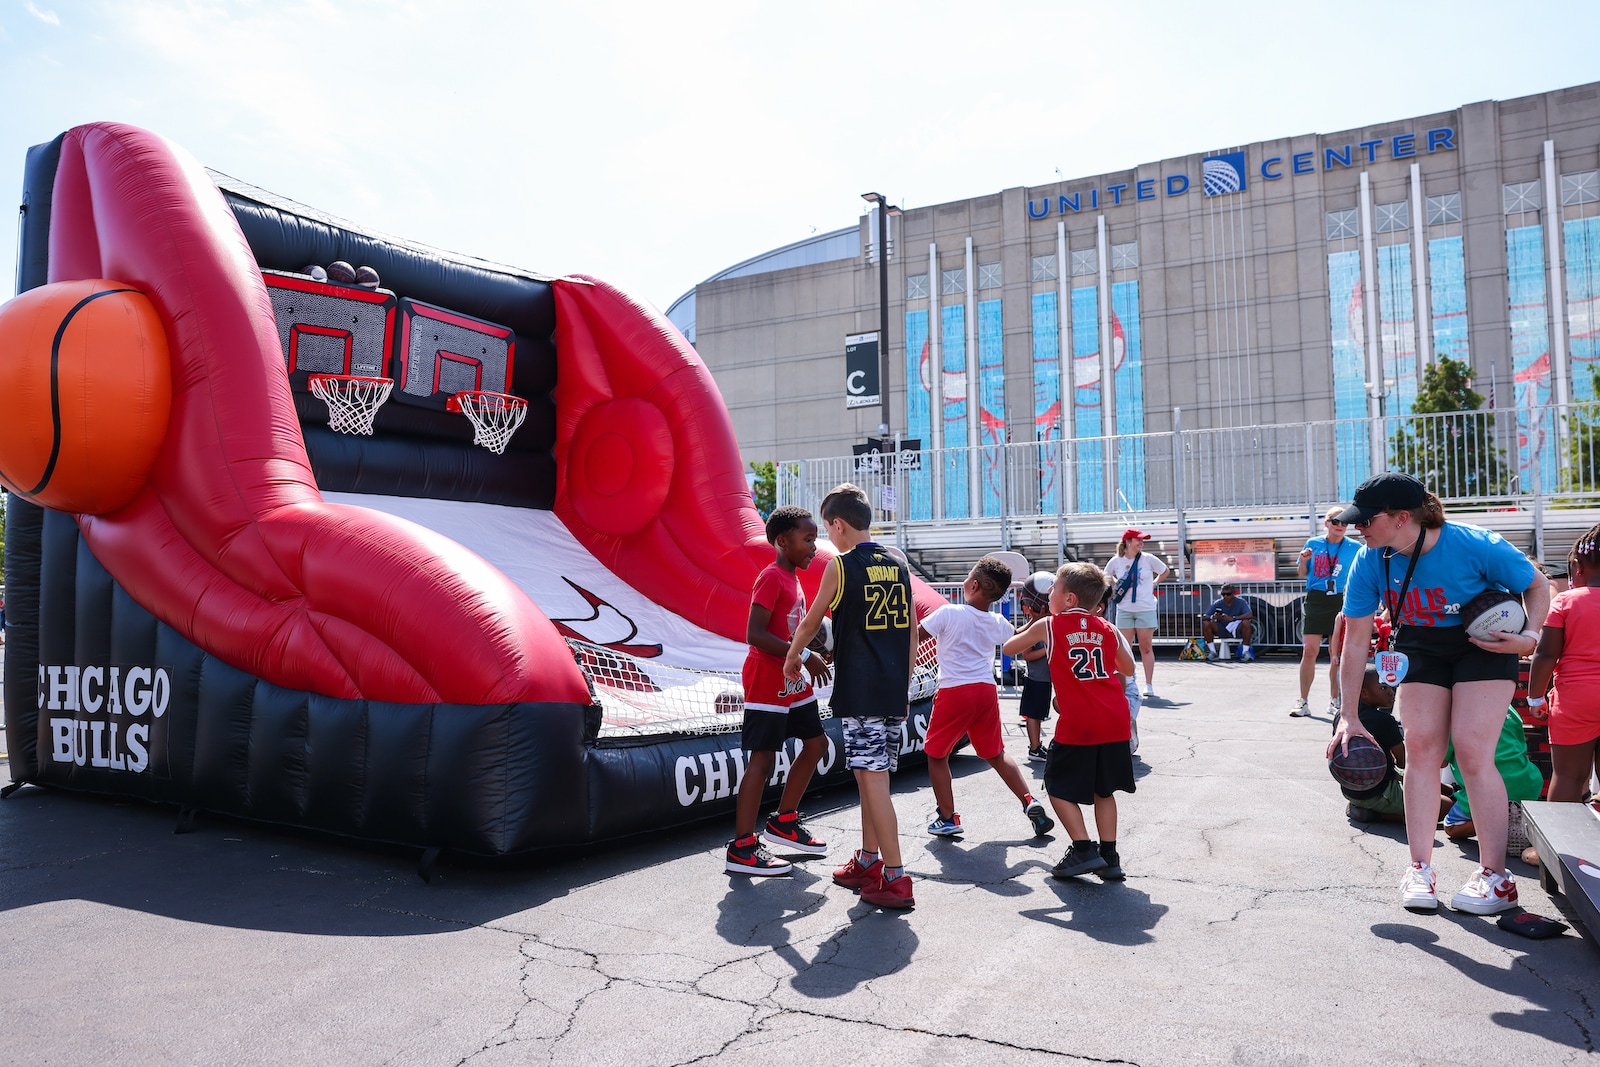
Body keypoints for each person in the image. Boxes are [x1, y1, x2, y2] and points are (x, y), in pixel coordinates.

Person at [1329, 473, 1550, 915]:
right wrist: (1348, 715)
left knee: (1471, 751)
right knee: (1422, 748)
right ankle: (1419, 868)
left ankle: (1496, 878)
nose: (1358, 529)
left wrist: (1530, 636)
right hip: (1420, 645)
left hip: (1482, 645)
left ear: (1401, 518)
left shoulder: (1475, 544)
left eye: (1366, 521)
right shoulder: (1371, 559)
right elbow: (1355, 642)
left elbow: (1537, 585)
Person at [785, 483, 916, 910]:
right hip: (893, 686)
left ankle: (895, 876)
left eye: (827, 528)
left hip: (862, 689)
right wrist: (907, 681)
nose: (828, 537)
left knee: (873, 779)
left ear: (838, 525)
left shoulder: (841, 566)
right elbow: (912, 630)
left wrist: (792, 660)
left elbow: (809, 622)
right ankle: (868, 859)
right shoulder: (897, 560)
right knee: (869, 776)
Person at [1004, 562, 1137, 881]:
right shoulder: (1108, 627)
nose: (1049, 591)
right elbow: (1128, 668)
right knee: (1104, 792)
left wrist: (1033, 623)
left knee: (1055, 785)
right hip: (1114, 719)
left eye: (1055, 588)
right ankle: (1110, 855)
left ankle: (1082, 848)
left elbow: (1009, 648)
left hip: (1079, 722)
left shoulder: (1049, 625)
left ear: (1069, 599)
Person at [725, 506, 834, 876]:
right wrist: (803, 653)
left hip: (790, 673)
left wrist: (816, 650)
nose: (813, 547)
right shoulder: (771, 577)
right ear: (782, 541)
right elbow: (754, 634)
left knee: (816, 743)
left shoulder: (795, 579)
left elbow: (789, 632)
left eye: (815, 540)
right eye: (807, 539)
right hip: (766, 676)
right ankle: (741, 847)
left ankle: (784, 821)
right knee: (764, 758)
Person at [919, 556, 1055, 839]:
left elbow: (915, 635)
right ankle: (1030, 801)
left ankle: (947, 817)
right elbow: (1017, 636)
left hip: (955, 690)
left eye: (968, 576)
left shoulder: (948, 613)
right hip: (985, 690)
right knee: (996, 753)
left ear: (974, 585)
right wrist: (1038, 619)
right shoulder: (997, 621)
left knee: (935, 755)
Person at [1528, 523, 1600, 803]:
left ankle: (1560, 847)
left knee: (1568, 776)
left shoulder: (1566, 602)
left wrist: (1535, 698)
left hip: (1575, 700)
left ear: (1578, 568)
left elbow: (1546, 654)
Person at [1294, 507, 1357, 716]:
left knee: (1336, 655)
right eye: (1334, 521)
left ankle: (1335, 700)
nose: (1339, 526)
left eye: (1343, 523)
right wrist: (1303, 560)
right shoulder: (1313, 544)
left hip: (1341, 599)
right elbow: (1302, 573)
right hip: (1316, 598)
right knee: (1309, 650)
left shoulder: (1355, 547)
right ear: (1326, 523)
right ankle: (1303, 701)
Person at [1105, 529, 1170, 698]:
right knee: (1124, 648)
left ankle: (1149, 684)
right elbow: (1105, 575)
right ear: (1128, 541)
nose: (1141, 543)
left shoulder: (1148, 559)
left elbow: (1165, 571)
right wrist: (1116, 584)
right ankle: (1127, 680)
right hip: (1125, 609)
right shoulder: (1116, 561)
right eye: (1138, 540)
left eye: (1142, 541)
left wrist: (1155, 583)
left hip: (1145, 608)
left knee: (1146, 647)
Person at [1015, 577, 1054, 762]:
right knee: (1034, 714)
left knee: (1040, 713)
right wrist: (1047, 650)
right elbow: (1027, 654)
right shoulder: (1034, 628)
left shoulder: (1049, 624)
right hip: (1036, 678)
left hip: (1046, 678)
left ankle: (1037, 746)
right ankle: (1034, 747)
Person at [1201, 584, 1254, 661]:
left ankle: (1245, 652)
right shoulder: (1218, 603)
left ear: (1233, 594)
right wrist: (1214, 617)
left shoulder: (1241, 602)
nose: (1225, 596)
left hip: (1236, 628)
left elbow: (1249, 614)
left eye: (1228, 594)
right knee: (1206, 623)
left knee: (1246, 622)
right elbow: (1204, 616)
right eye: (1223, 594)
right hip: (1222, 629)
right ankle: (1213, 652)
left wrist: (1233, 618)